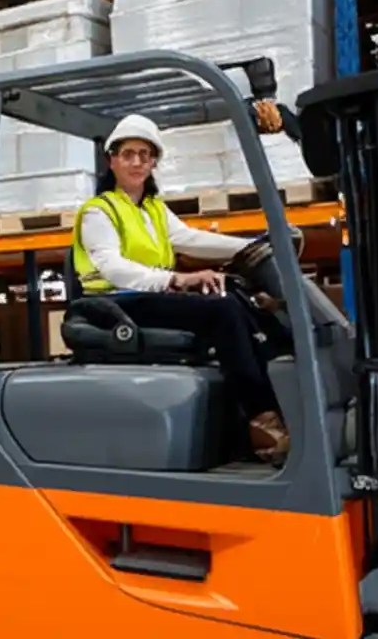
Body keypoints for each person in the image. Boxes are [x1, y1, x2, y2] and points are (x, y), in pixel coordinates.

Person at [70, 113, 289, 462]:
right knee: (222, 311)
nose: (137, 161)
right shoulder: (100, 211)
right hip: (114, 304)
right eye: (128, 153)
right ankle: (264, 420)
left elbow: (188, 238)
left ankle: (287, 398)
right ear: (112, 159)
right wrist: (176, 279)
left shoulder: (153, 209)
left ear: (154, 161)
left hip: (151, 295)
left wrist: (253, 246)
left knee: (243, 302)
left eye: (145, 154)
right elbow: (110, 266)